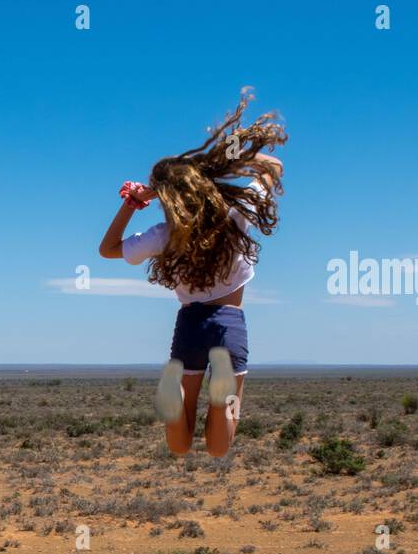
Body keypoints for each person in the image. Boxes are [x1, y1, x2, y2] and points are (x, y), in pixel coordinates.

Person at [98, 89, 286, 457]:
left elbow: (107, 250)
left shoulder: (165, 235)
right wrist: (226, 160)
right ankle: (221, 402)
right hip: (229, 325)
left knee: (181, 442)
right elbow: (273, 168)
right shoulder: (236, 216)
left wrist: (135, 203)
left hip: (189, 328)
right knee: (220, 443)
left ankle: (178, 401)